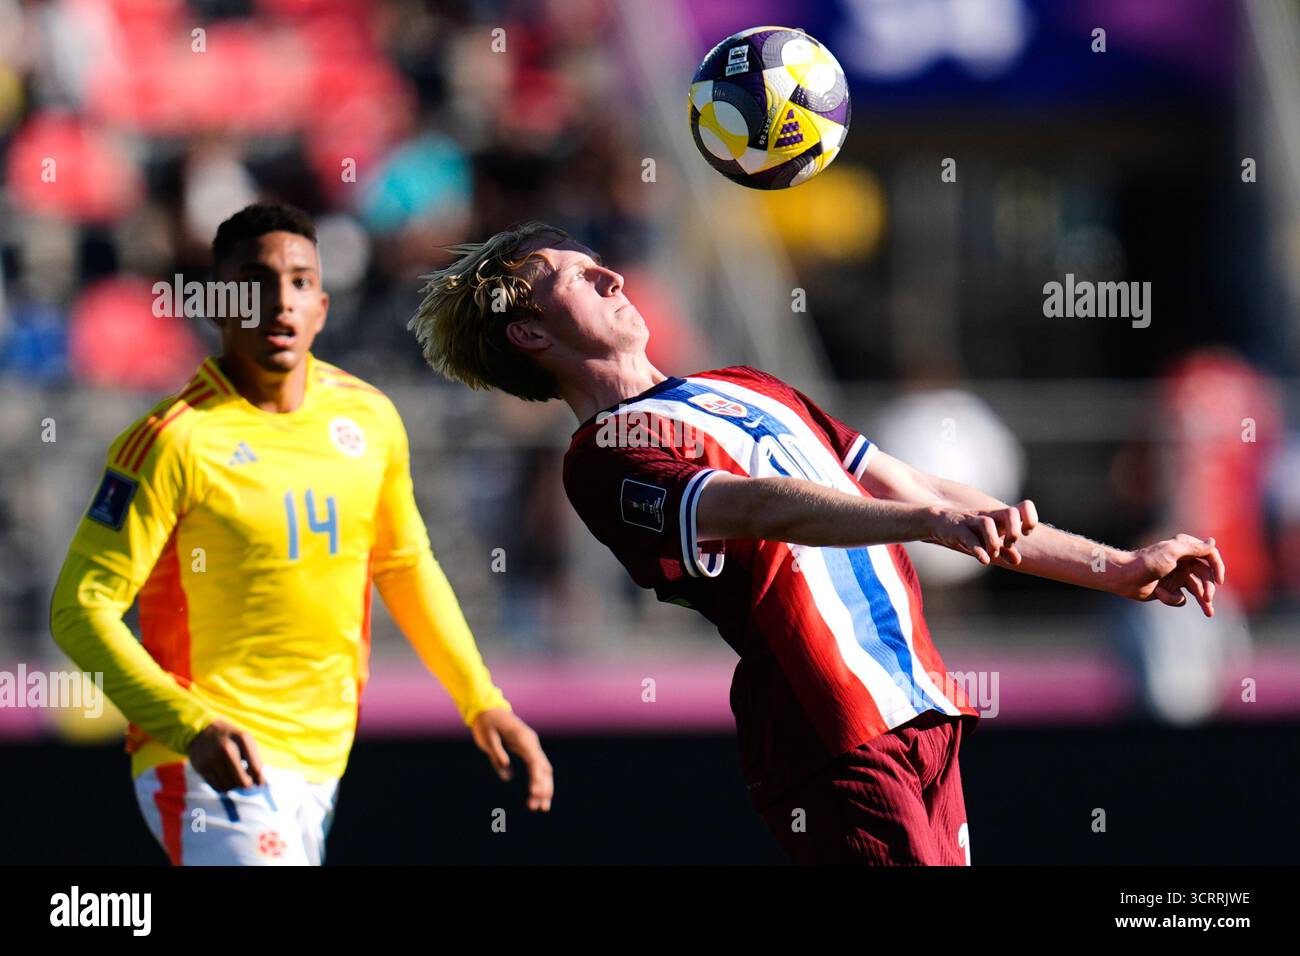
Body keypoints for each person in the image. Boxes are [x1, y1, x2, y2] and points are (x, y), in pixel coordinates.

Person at [407, 221, 1224, 865]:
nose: (611, 275)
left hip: (921, 706)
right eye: (571, 277)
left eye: (598, 263)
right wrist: (930, 527)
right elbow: (764, 510)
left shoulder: (745, 385)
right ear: (530, 336)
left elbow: (924, 488)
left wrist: (1115, 568)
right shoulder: (604, 456)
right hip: (831, 730)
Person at [50, 202, 553, 866]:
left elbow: (404, 564)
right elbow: (79, 608)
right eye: (255, 282)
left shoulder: (368, 418)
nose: (279, 301)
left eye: (298, 281)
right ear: (217, 302)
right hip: (206, 761)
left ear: (320, 304)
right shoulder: (173, 441)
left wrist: (480, 699)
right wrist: (189, 724)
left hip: (320, 761)